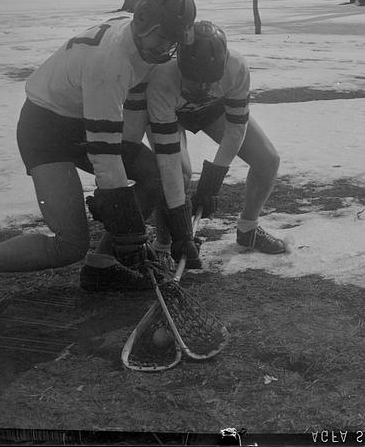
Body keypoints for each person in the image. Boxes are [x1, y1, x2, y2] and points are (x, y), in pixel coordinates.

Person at [0, 0, 202, 312]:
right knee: (69, 244)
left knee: (153, 173)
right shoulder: (110, 63)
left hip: (82, 120)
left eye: (173, 42)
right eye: (162, 38)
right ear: (144, 22)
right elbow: (105, 154)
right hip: (45, 128)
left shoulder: (137, 39)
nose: (165, 50)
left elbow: (125, 137)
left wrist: (171, 228)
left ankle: (102, 266)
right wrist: (128, 229)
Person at [123, 20, 286, 266]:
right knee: (179, 172)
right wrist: (182, 230)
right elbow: (168, 159)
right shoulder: (162, 77)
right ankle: (165, 245)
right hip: (169, 114)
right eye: (193, 80)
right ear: (180, 64)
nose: (201, 87)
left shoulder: (236, 67)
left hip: (212, 109)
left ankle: (248, 230)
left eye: (209, 81)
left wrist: (212, 182)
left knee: (267, 160)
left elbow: (236, 129)